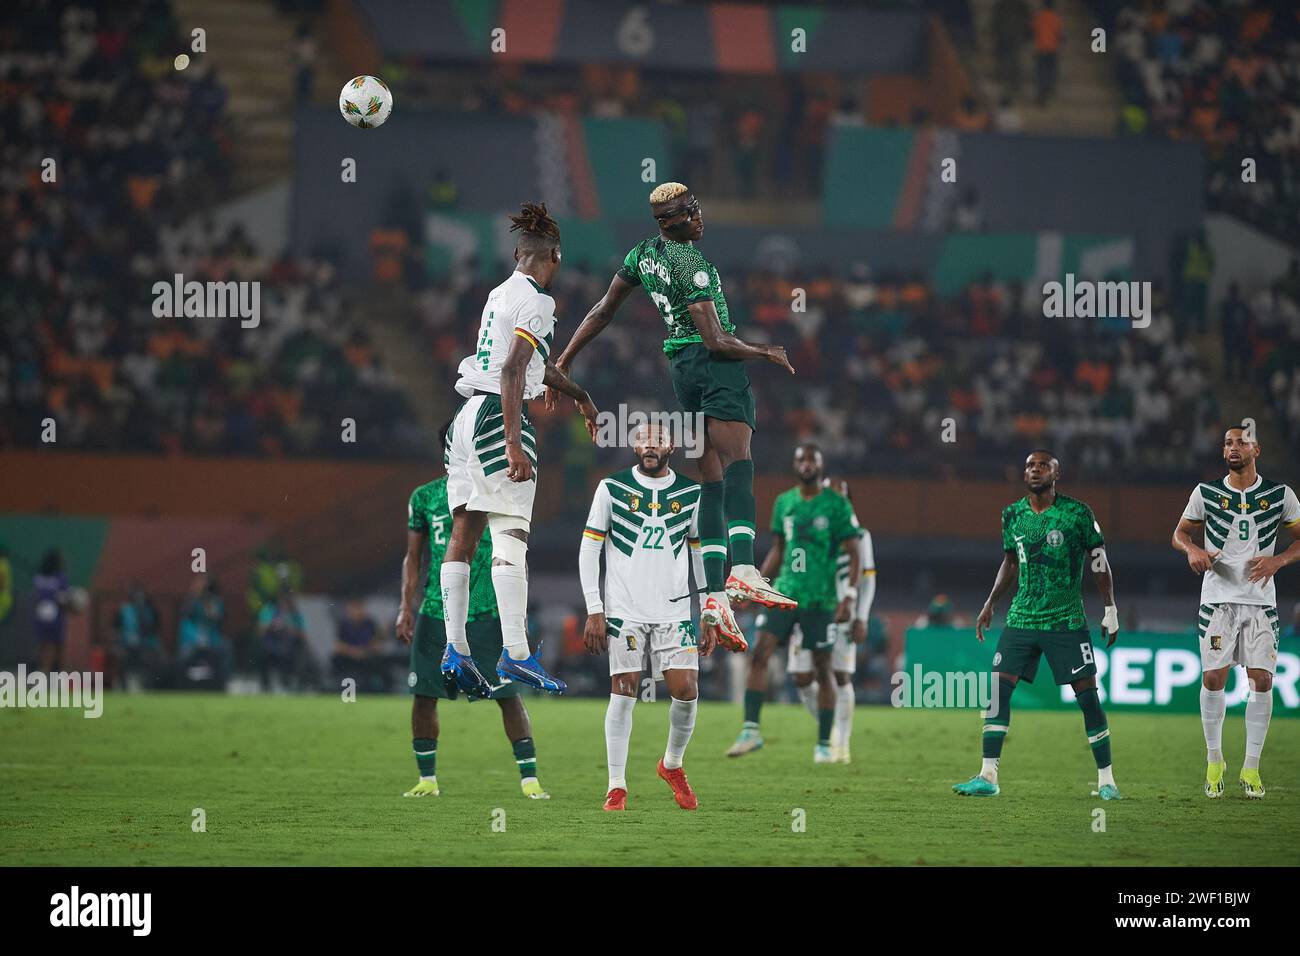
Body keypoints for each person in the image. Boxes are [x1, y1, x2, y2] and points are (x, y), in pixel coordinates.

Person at [550, 182, 798, 654]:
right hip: (712, 367)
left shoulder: (643, 255)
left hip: (681, 370)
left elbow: (603, 310)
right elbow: (717, 341)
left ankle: (715, 599)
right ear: (668, 221)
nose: (698, 217)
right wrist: (765, 351)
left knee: (709, 473)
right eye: (688, 212)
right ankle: (743, 569)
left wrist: (565, 360)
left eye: (697, 207)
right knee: (739, 457)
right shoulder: (693, 264)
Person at [440, 202, 599, 699]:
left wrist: (580, 394)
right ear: (553, 256)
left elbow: (529, 366)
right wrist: (513, 442)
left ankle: (456, 650)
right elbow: (515, 371)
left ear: (516, 253)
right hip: (496, 420)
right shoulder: (540, 302)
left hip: (464, 419)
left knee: (464, 534)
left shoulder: (499, 292)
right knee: (510, 536)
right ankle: (516, 653)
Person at [953, 450, 1122, 799]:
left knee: (1087, 697)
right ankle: (988, 777)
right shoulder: (1012, 514)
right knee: (998, 690)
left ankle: (1107, 781)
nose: (1035, 470)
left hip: (1066, 620)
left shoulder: (1077, 513)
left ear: (1056, 474)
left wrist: (1110, 608)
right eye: (1030, 465)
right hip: (1021, 617)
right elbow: (1010, 562)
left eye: (1043, 466)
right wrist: (990, 602)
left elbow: (1099, 561)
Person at [396, 449, 550, 800]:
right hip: (436, 612)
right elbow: (413, 557)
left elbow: (514, 555)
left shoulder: (498, 490)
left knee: (507, 696)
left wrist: (517, 613)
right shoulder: (424, 497)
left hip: (488, 614)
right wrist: (406, 606)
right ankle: (427, 780)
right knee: (424, 696)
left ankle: (530, 781)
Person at [579, 423, 714, 811]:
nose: (648, 446)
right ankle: (616, 785)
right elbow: (589, 550)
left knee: (686, 690)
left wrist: (708, 610)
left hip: (673, 609)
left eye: (656, 440)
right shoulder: (611, 488)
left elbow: (700, 555)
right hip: (624, 610)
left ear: (671, 446)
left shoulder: (691, 494)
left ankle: (672, 764)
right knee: (624, 690)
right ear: (634, 445)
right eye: (641, 439)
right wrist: (594, 608)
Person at [1171, 426, 1300, 799]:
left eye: (1241, 442)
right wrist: (1192, 550)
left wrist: (1278, 560)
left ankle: (1252, 767)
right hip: (1218, 600)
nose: (1233, 448)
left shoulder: (1279, 495)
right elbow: (1179, 534)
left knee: (1262, 680)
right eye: (1228, 443)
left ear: (1256, 449)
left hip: (1262, 602)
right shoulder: (1206, 493)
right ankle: (1215, 761)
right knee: (1214, 678)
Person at [726, 445, 861, 762]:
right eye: (800, 459)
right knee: (759, 653)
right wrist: (753, 584)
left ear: (820, 464)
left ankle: (825, 744)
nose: (806, 464)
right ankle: (750, 731)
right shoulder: (784, 502)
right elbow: (778, 549)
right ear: (794, 464)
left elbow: (854, 553)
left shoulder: (837, 505)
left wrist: (850, 597)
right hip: (785, 593)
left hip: (820, 598)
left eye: (811, 459)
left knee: (822, 667)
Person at [786, 477, 875, 764]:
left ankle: (843, 741)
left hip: (842, 613)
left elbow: (868, 580)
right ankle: (831, 725)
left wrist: (861, 616)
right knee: (801, 678)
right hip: (810, 608)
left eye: (841, 494)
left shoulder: (860, 535)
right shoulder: (810, 528)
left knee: (840, 675)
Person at [112, 583, 162, 690]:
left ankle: (148, 686)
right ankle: (124, 686)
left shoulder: (148, 610)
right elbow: (116, 629)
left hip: (144, 645)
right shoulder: (124, 610)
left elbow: (155, 629)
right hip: (126, 645)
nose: (138, 598)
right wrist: (116, 644)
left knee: (150, 660)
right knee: (123, 661)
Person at [258, 589, 310, 691]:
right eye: (282, 600)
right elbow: (260, 631)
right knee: (265, 652)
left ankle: (295, 684)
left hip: (290, 647)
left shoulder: (295, 615)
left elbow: (304, 636)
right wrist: (272, 624)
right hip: (272, 646)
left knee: (301, 653)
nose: (284, 603)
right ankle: (266, 686)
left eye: (287, 600)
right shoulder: (269, 610)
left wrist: (291, 629)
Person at [33, 550, 72, 673]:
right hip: (55, 615)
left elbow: (37, 595)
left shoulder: (38, 578)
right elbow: (63, 598)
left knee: (43, 646)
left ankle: (41, 674)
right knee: (58, 647)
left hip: (40, 614)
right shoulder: (60, 578)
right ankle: (57, 676)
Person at [332, 598, 384, 691]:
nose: (357, 612)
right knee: (336, 659)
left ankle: (376, 686)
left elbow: (377, 644)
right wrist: (352, 651)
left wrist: (365, 651)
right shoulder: (344, 624)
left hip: (366, 655)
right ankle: (337, 684)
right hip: (348, 656)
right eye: (354, 609)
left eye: (359, 608)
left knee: (378, 660)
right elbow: (338, 645)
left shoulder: (370, 623)